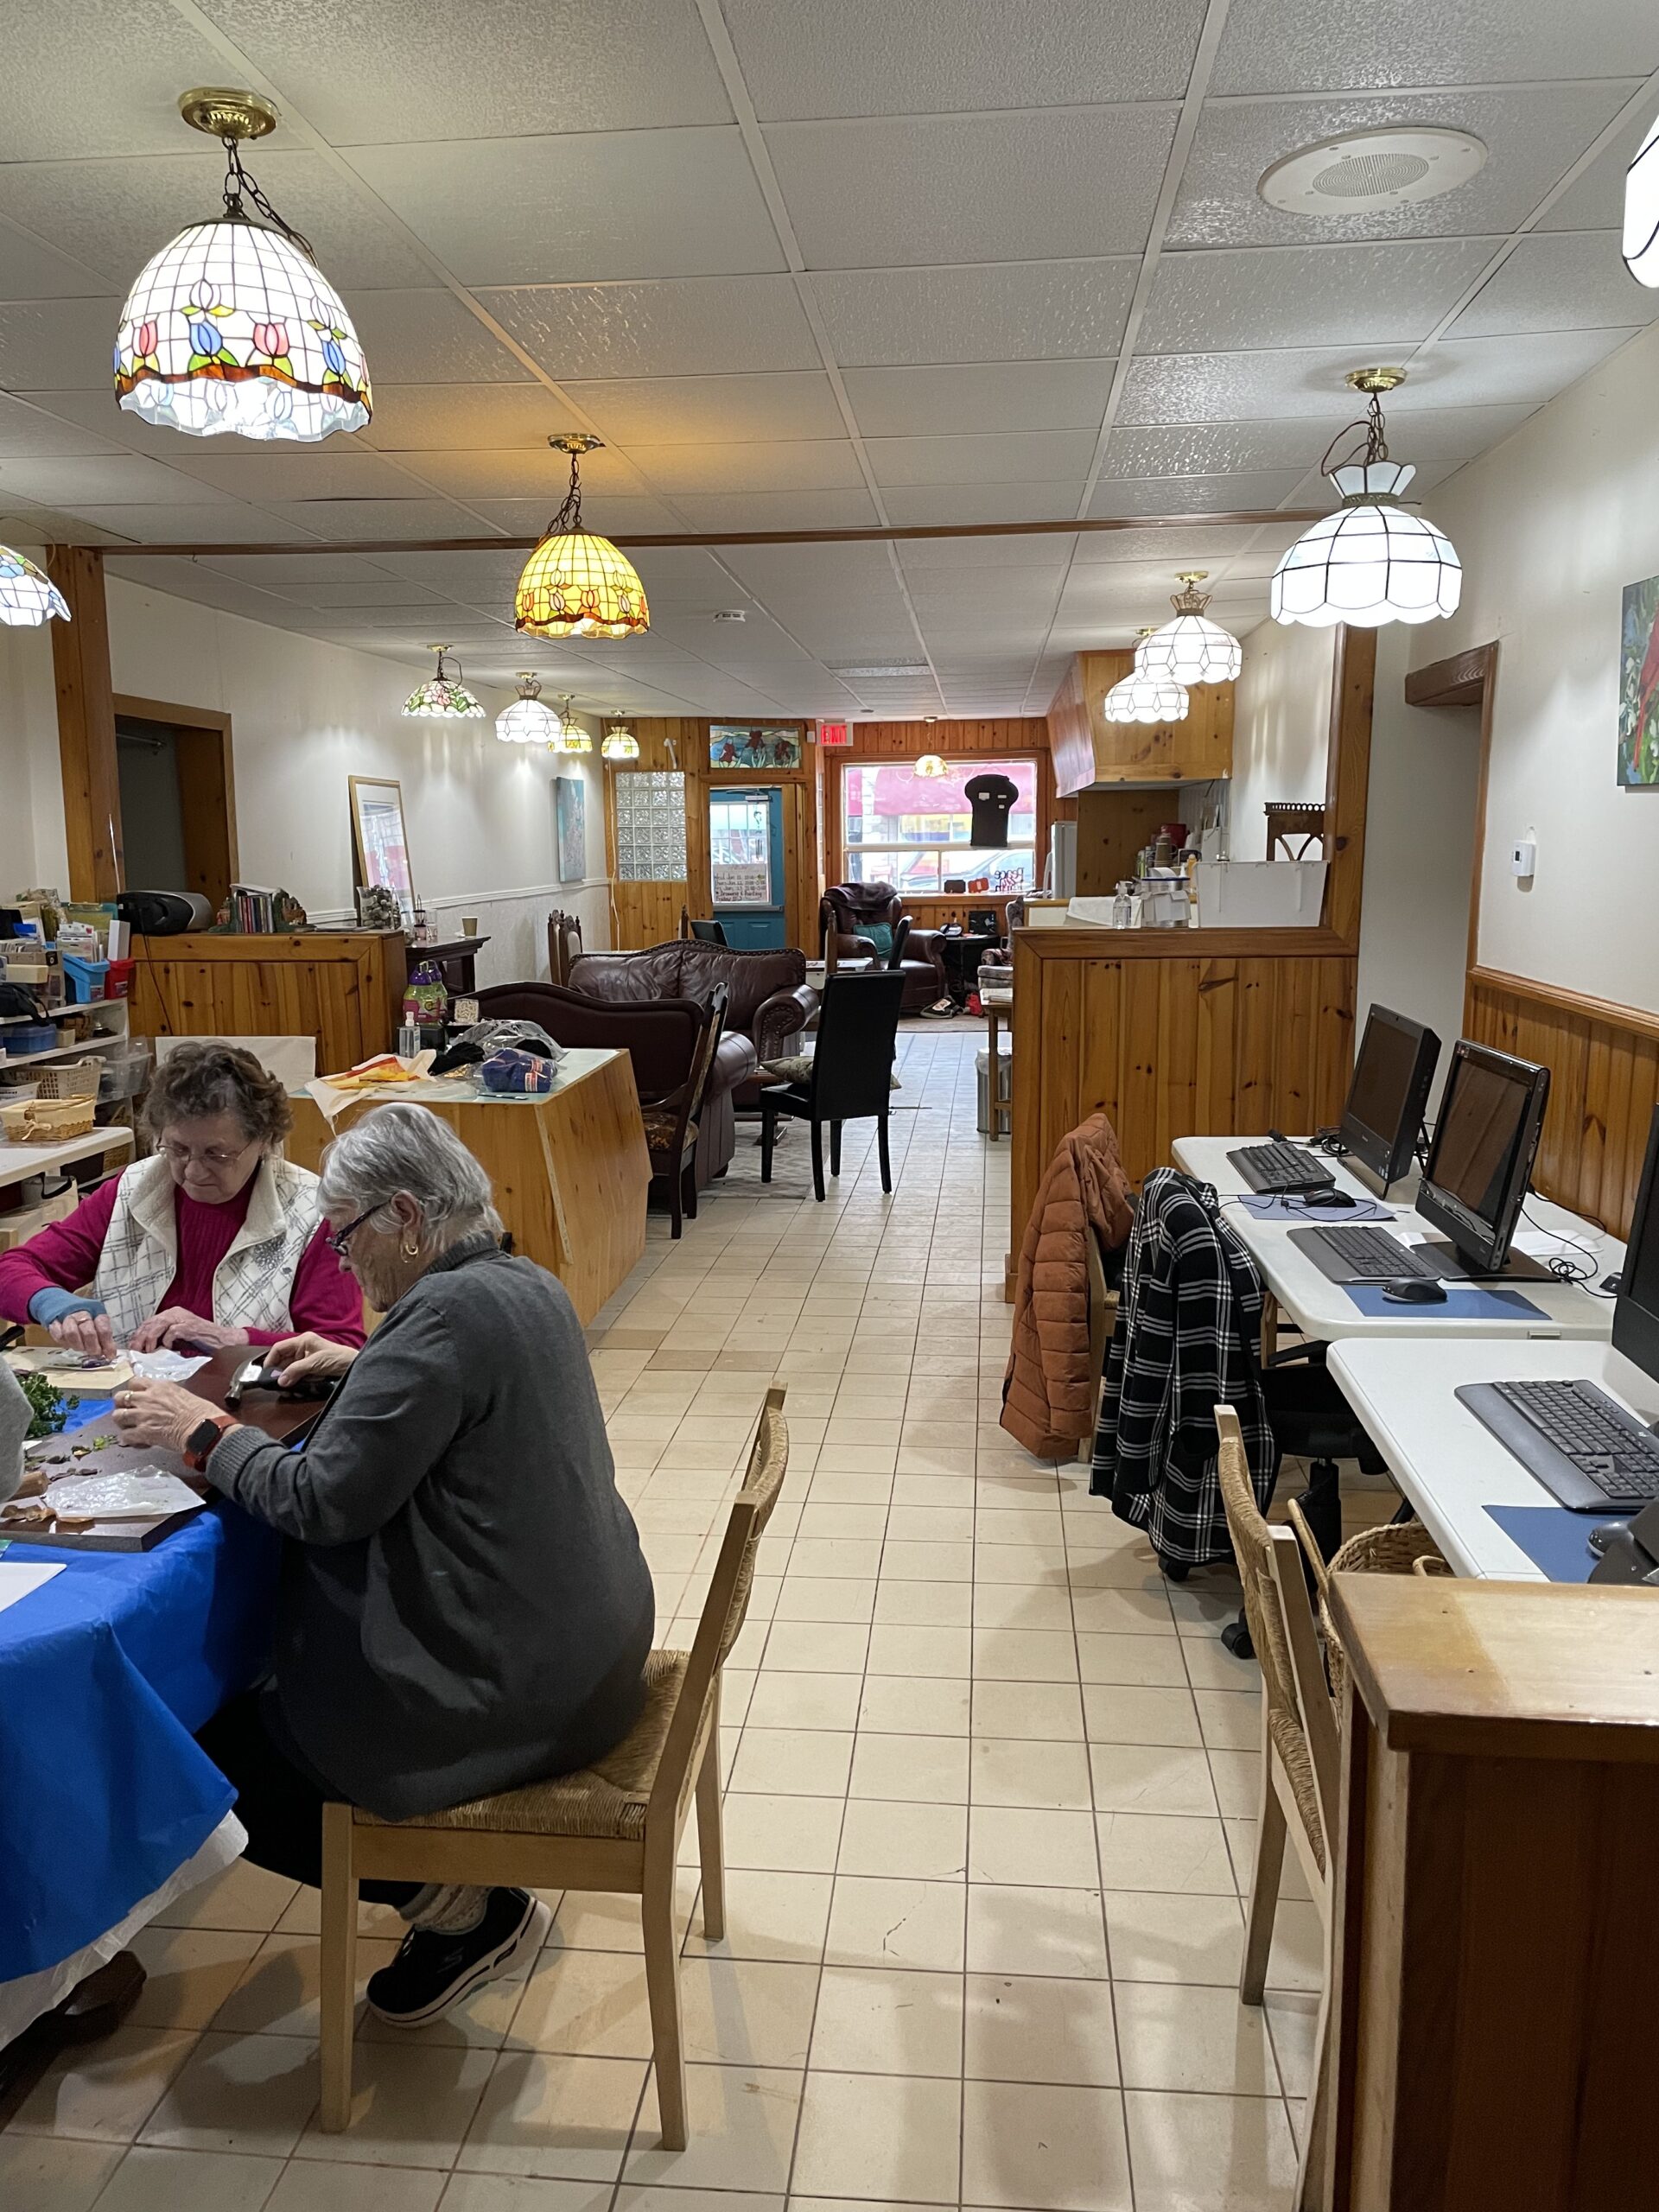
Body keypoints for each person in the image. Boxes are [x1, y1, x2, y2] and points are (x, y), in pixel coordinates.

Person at [113, 1103, 655, 2026]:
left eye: (347, 1232)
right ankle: (451, 1893)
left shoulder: (442, 1318)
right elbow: (438, 1396)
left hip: (516, 1687)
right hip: (586, 1647)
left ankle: (462, 1915)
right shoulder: (519, 1281)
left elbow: (321, 1504)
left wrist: (199, 1429)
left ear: (405, 1217)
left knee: (204, 1747)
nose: (339, 1255)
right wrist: (362, 1369)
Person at [0, 1042, 364, 1357]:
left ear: (264, 1141)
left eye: (216, 1155)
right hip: (135, 1404)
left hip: (250, 1413)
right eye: (177, 1149)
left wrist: (232, 1340)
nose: (192, 1172)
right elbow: (11, 1270)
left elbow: (341, 1347)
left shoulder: (313, 1214)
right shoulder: (133, 1189)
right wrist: (54, 1303)